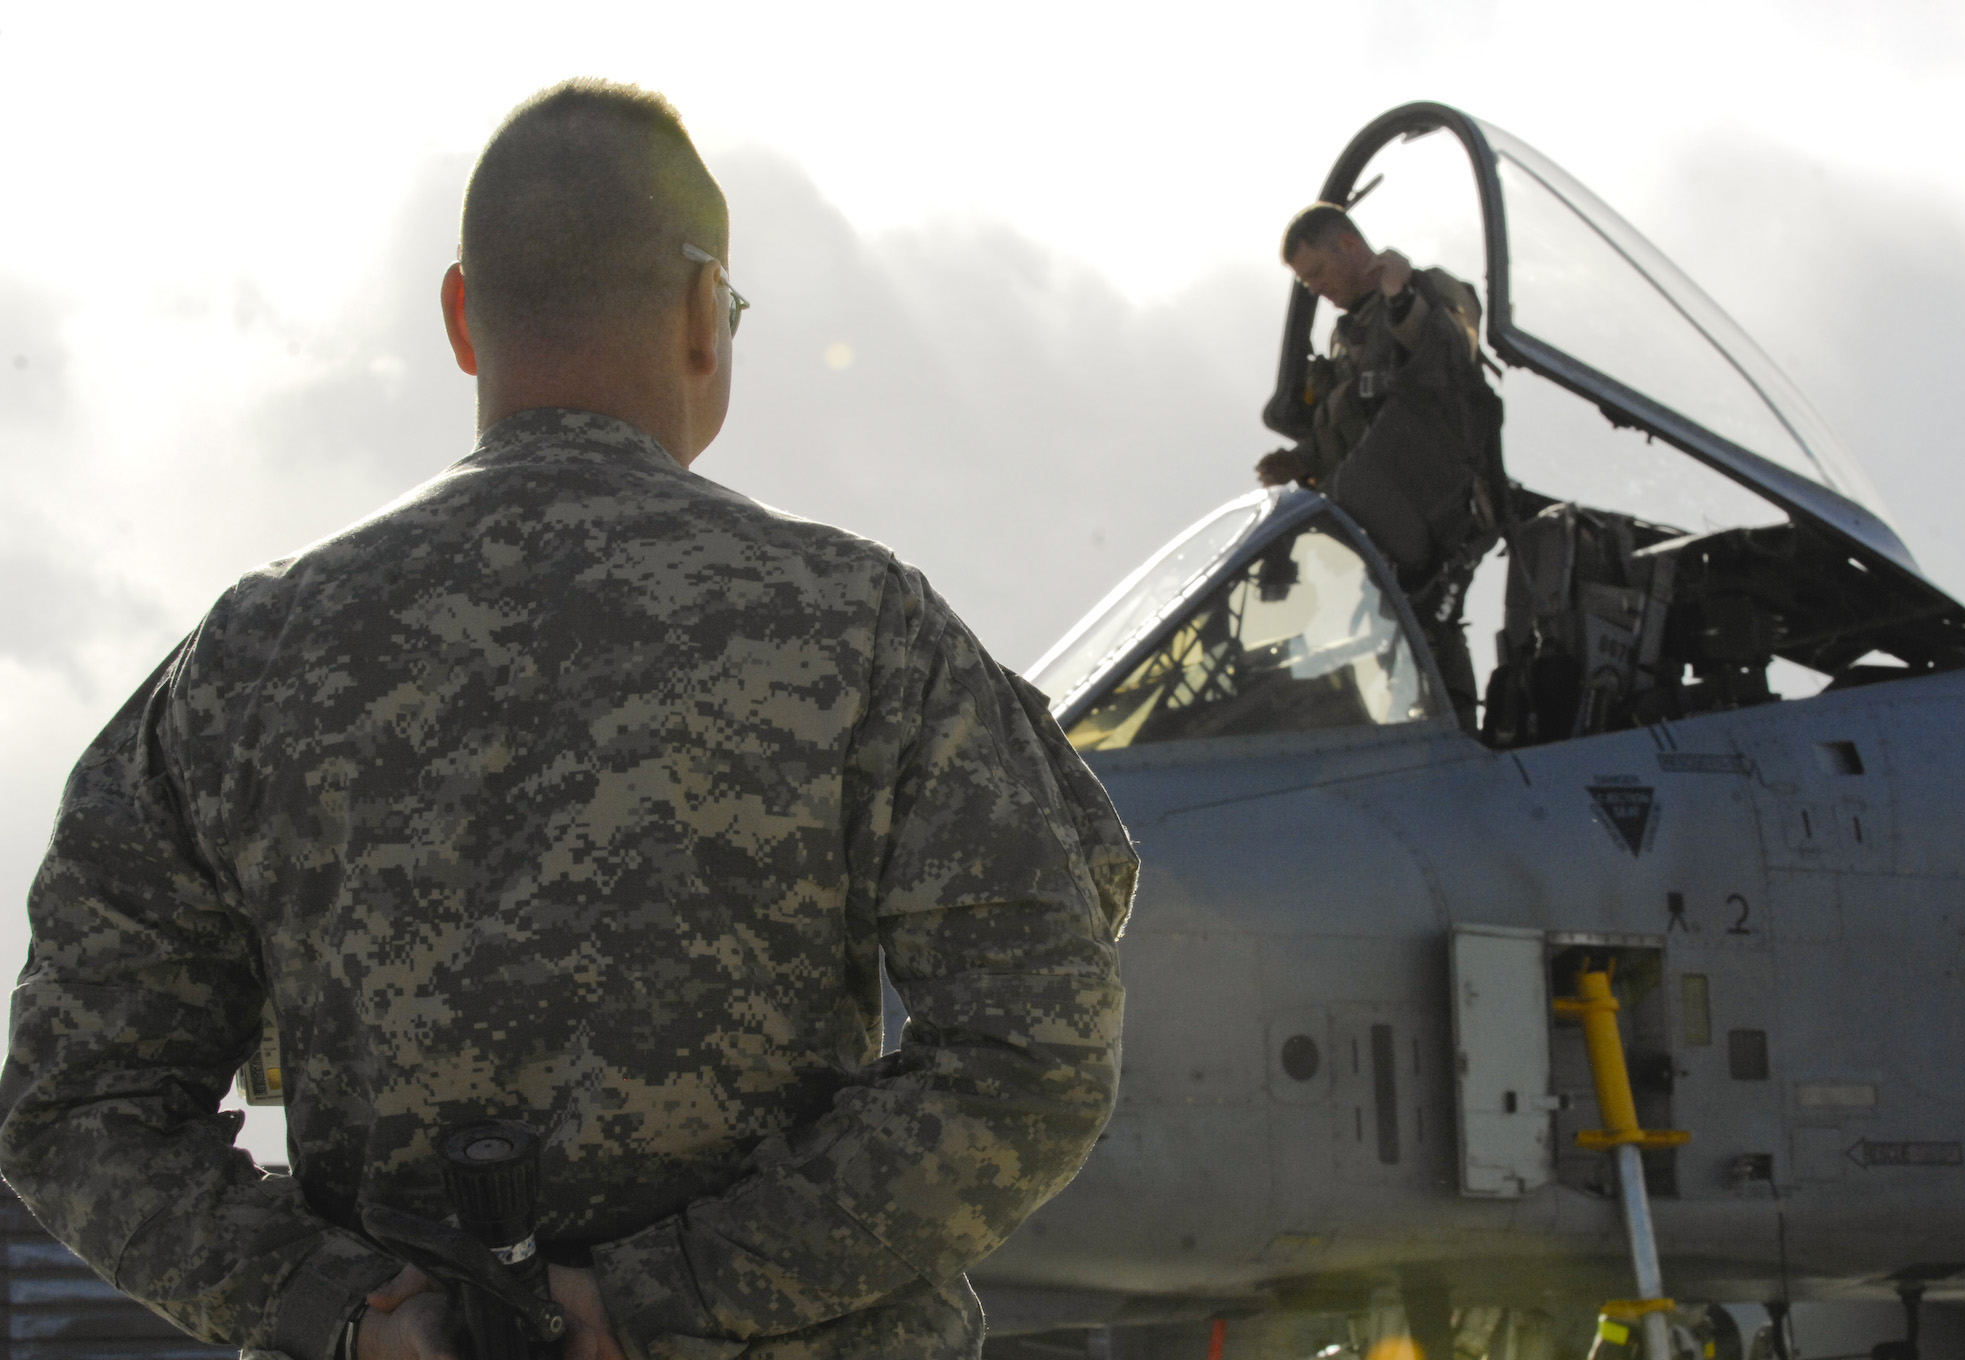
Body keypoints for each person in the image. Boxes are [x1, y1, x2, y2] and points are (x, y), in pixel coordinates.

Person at [0, 80, 1135, 1360]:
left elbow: (75, 1104)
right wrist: (673, 1293)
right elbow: (1036, 1040)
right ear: (706, 312)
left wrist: (347, 1312)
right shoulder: (860, 630)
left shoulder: (246, 664)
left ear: (459, 316)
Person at [1256, 203, 1505, 731]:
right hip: (1375, 525)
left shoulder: (1428, 291)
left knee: (1430, 638)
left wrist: (1401, 297)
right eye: (1306, 282)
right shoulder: (1348, 341)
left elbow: (1454, 367)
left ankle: (1458, 739)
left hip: (1432, 515)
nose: (1317, 290)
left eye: (1318, 272)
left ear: (1348, 244)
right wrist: (1296, 461)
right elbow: (1352, 431)